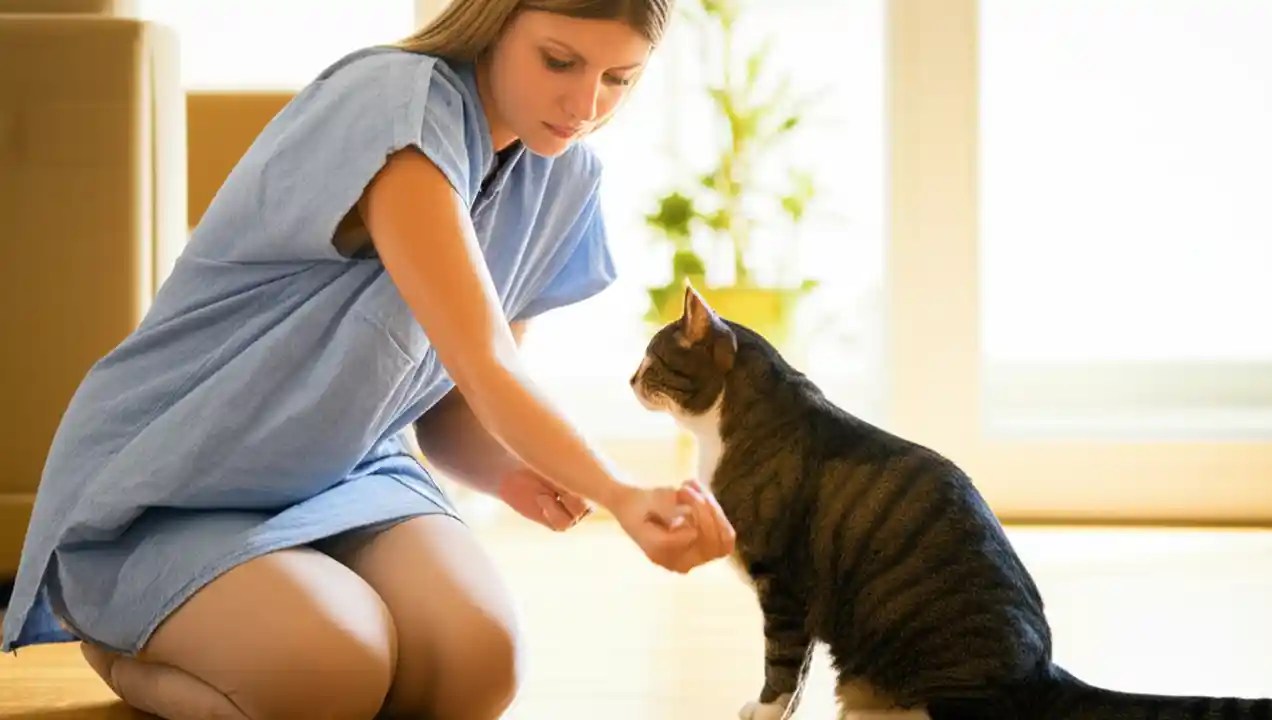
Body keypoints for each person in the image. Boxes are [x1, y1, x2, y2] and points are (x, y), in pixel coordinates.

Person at [0, 1, 737, 718]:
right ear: (495, 18)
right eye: (559, 61)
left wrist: (514, 471)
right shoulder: (398, 107)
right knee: (335, 669)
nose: (585, 104)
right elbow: (486, 362)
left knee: (478, 665)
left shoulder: (563, 182)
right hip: (184, 471)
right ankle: (125, 652)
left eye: (618, 78)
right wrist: (619, 492)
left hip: (348, 470)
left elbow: (454, 405)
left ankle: (265, 645)